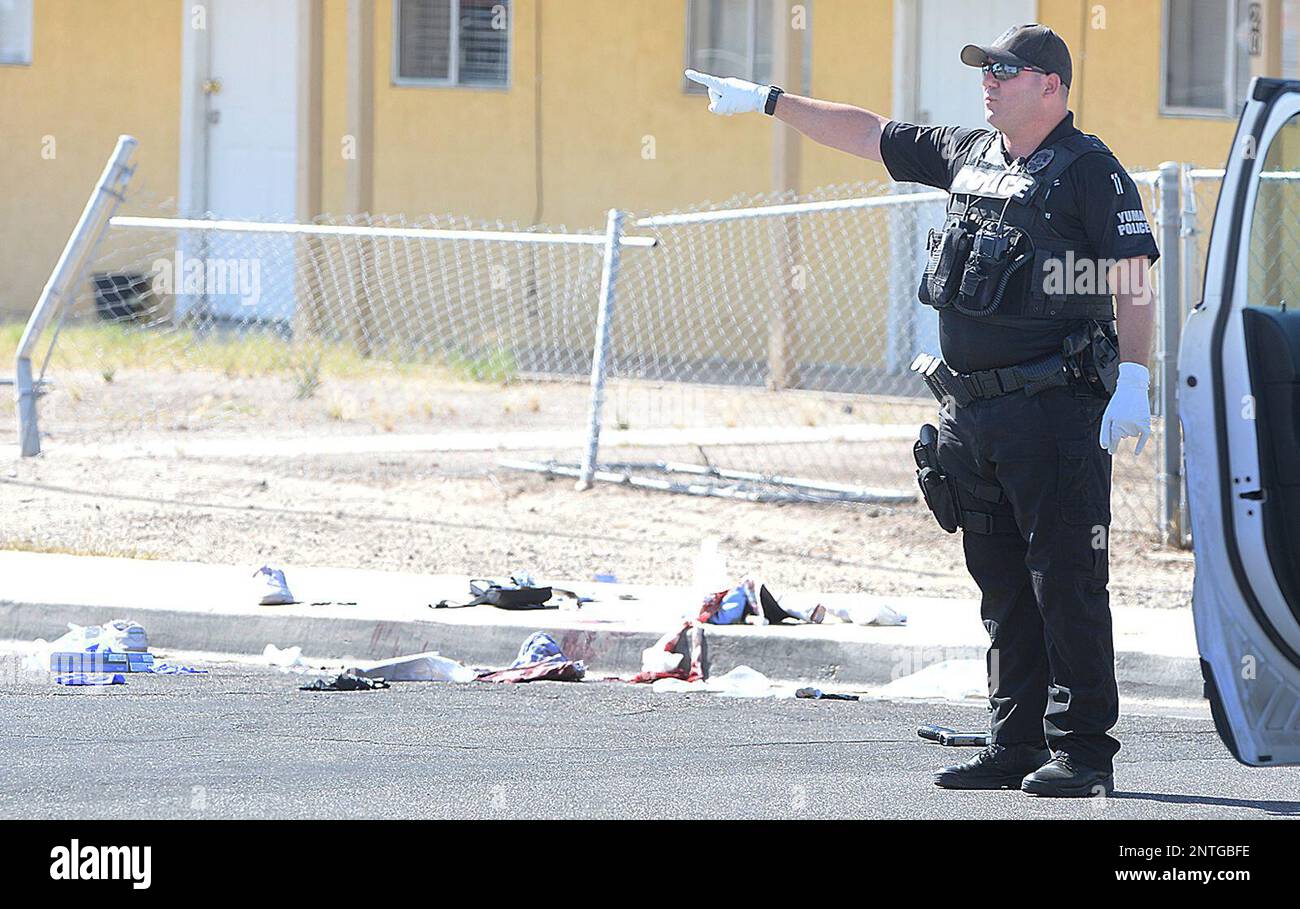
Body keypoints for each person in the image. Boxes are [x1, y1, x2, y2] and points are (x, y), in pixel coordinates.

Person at [686, 23, 1158, 797]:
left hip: (1054, 410)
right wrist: (769, 100)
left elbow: (1133, 281)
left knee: (1065, 580)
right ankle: (1015, 743)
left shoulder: (1089, 172)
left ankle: (1082, 752)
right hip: (972, 415)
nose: (989, 81)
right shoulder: (969, 153)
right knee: (1002, 586)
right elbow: (870, 132)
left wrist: (1135, 378)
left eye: (1005, 71)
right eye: (985, 70)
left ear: (1051, 86)